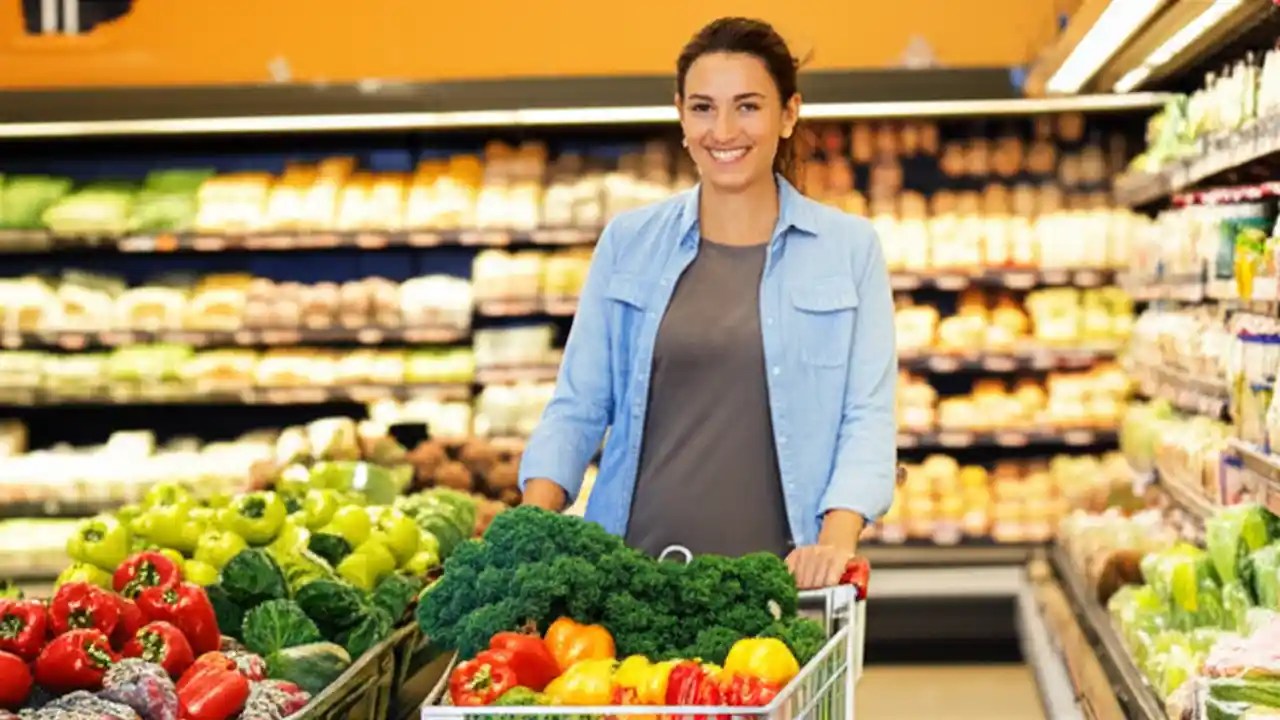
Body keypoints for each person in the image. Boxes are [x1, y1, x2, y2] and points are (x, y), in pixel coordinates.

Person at [518, 16, 897, 589]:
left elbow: (867, 416)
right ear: (681, 116)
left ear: (788, 114)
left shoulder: (848, 250)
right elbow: (579, 404)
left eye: (747, 106)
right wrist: (527, 526)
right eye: (702, 108)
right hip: (632, 573)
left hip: (782, 585)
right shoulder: (629, 243)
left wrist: (834, 543)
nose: (723, 130)